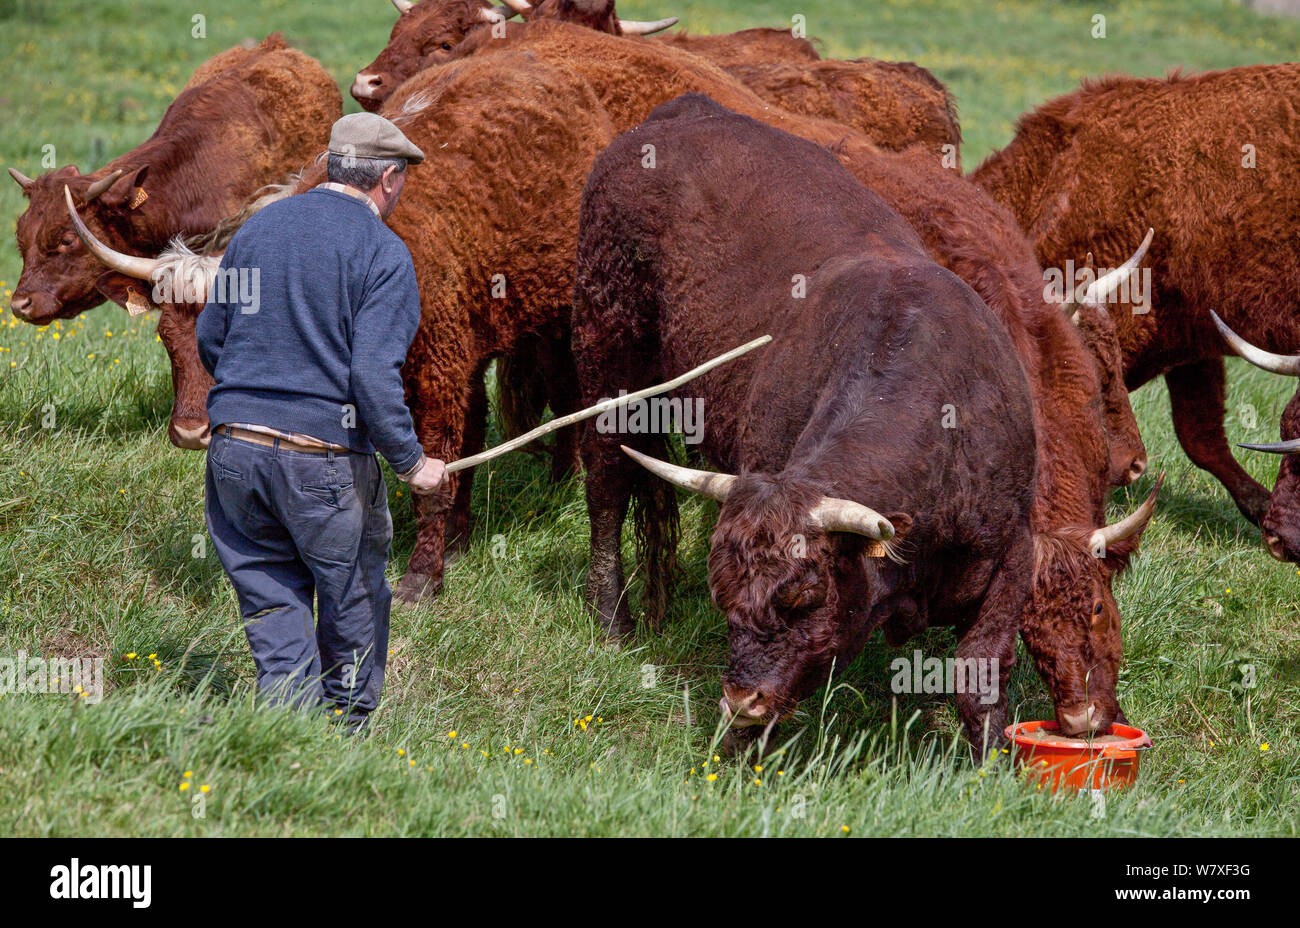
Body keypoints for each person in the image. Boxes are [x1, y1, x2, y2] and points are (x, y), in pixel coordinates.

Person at [196, 112, 446, 732]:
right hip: (325, 463)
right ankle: (345, 741)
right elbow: (371, 376)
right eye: (403, 178)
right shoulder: (383, 252)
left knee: (271, 597)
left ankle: (285, 739)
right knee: (353, 601)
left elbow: (211, 339)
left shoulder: (259, 230)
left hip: (235, 451)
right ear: (387, 178)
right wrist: (413, 463)